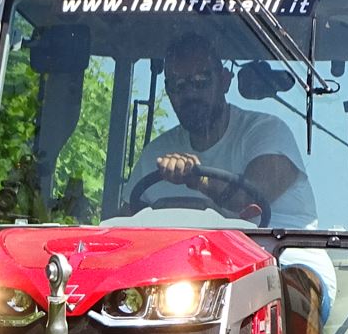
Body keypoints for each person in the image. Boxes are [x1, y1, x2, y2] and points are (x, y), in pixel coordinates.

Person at [125, 32, 318, 227]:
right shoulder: (156, 155)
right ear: (168, 91)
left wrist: (201, 179)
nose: (190, 93)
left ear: (225, 80)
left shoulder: (268, 132)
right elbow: (121, 226)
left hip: (282, 252)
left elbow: (249, 200)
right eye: (178, 85)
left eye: (201, 81)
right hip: (191, 256)